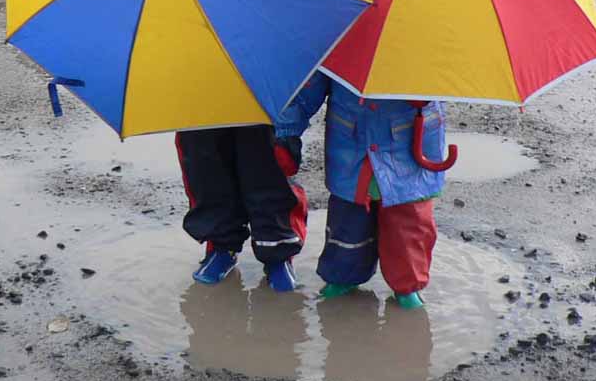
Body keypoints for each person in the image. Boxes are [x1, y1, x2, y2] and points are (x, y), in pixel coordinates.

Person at [276, 72, 446, 308]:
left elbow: (454, 81)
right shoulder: (338, 51)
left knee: (409, 227)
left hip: (408, 147)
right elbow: (307, 90)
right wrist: (285, 133)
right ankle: (343, 278)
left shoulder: (433, 55)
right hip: (352, 144)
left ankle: (407, 285)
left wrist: (427, 94)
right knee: (348, 223)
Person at [175, 125, 307, 292]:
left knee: (267, 160)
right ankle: (222, 246)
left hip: (264, 111)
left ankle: (278, 252)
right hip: (202, 110)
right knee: (205, 161)